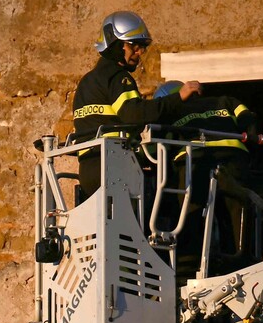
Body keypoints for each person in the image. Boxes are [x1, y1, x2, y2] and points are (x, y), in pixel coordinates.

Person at [72, 11, 201, 199]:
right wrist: (178, 97)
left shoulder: (86, 82)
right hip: (114, 166)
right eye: (133, 46)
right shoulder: (118, 77)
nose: (139, 52)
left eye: (141, 47)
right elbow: (134, 114)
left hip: (89, 170)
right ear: (116, 44)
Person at [154, 81, 260, 270]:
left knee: (189, 214)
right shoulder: (225, 101)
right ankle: (241, 265)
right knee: (236, 215)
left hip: (193, 162)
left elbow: (159, 147)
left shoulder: (170, 111)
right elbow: (247, 119)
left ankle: (187, 267)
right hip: (233, 159)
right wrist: (250, 135)